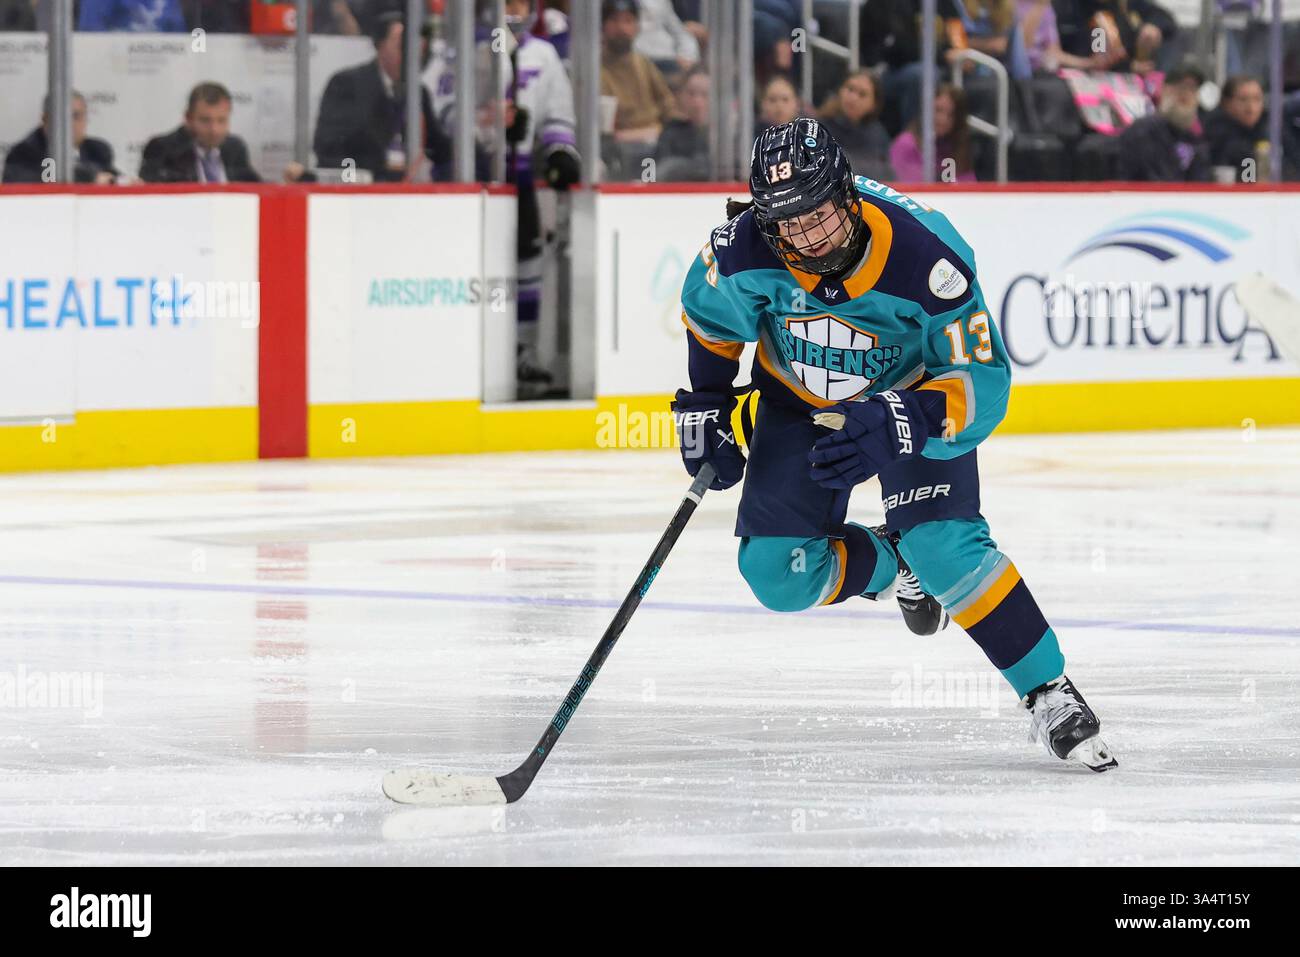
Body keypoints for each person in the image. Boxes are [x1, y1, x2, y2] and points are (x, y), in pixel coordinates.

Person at [671, 118, 1117, 771]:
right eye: (788, 225)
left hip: (909, 398)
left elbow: (983, 381)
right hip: (801, 405)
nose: (806, 237)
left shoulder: (927, 258)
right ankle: (890, 563)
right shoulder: (743, 248)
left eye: (818, 216)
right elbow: (711, 320)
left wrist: (907, 418)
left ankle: (1047, 689)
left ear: (847, 194)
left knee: (944, 545)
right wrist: (706, 403)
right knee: (776, 573)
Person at [314, 9, 450, 182]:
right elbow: (328, 147)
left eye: (417, 49)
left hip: (404, 190)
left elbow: (439, 147)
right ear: (381, 45)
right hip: (357, 190)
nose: (412, 55)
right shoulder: (346, 84)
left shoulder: (417, 93)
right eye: (402, 46)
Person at [139, 82, 262, 183]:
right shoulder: (162, 148)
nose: (214, 129)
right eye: (205, 120)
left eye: (221, 120)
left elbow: (254, 187)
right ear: (188, 118)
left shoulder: (235, 148)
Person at [599, 0, 677, 150]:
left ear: (637, 27)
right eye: (614, 20)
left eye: (628, 21)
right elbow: (607, 132)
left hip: (658, 144)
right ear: (603, 26)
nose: (621, 28)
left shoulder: (644, 63)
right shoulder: (596, 70)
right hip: (619, 149)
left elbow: (668, 106)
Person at [1116, 65, 1209, 182]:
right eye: (1180, 87)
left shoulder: (1193, 139)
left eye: (1193, 89)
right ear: (1164, 89)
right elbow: (1155, 180)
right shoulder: (1145, 131)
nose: (1186, 94)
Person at [2, 92, 118, 184]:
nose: (69, 124)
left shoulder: (97, 150)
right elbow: (35, 179)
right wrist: (89, 178)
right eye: (62, 117)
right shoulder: (24, 152)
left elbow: (111, 177)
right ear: (45, 120)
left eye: (76, 116)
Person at [1203, 75, 1300, 182]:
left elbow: (1292, 168)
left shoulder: (1273, 130)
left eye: (1257, 99)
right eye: (1243, 100)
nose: (1251, 108)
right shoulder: (1214, 134)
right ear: (1226, 102)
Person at [817, 69, 894, 182]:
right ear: (840, 91)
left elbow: (885, 174)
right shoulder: (820, 128)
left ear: (874, 104)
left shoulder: (877, 135)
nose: (853, 98)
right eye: (850, 89)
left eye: (862, 94)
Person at [889, 84, 977, 182]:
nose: (943, 120)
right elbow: (910, 187)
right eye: (938, 110)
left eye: (951, 114)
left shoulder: (957, 147)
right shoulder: (906, 144)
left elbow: (968, 187)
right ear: (925, 110)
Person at [655, 65, 710, 180]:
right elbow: (661, 172)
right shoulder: (671, 133)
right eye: (691, 94)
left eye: (705, 94)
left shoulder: (731, 139)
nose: (697, 102)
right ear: (680, 96)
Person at [78, 0, 186, 31]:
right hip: (113, 65)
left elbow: (178, 34)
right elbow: (90, 34)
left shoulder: (168, 2)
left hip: (163, 65)